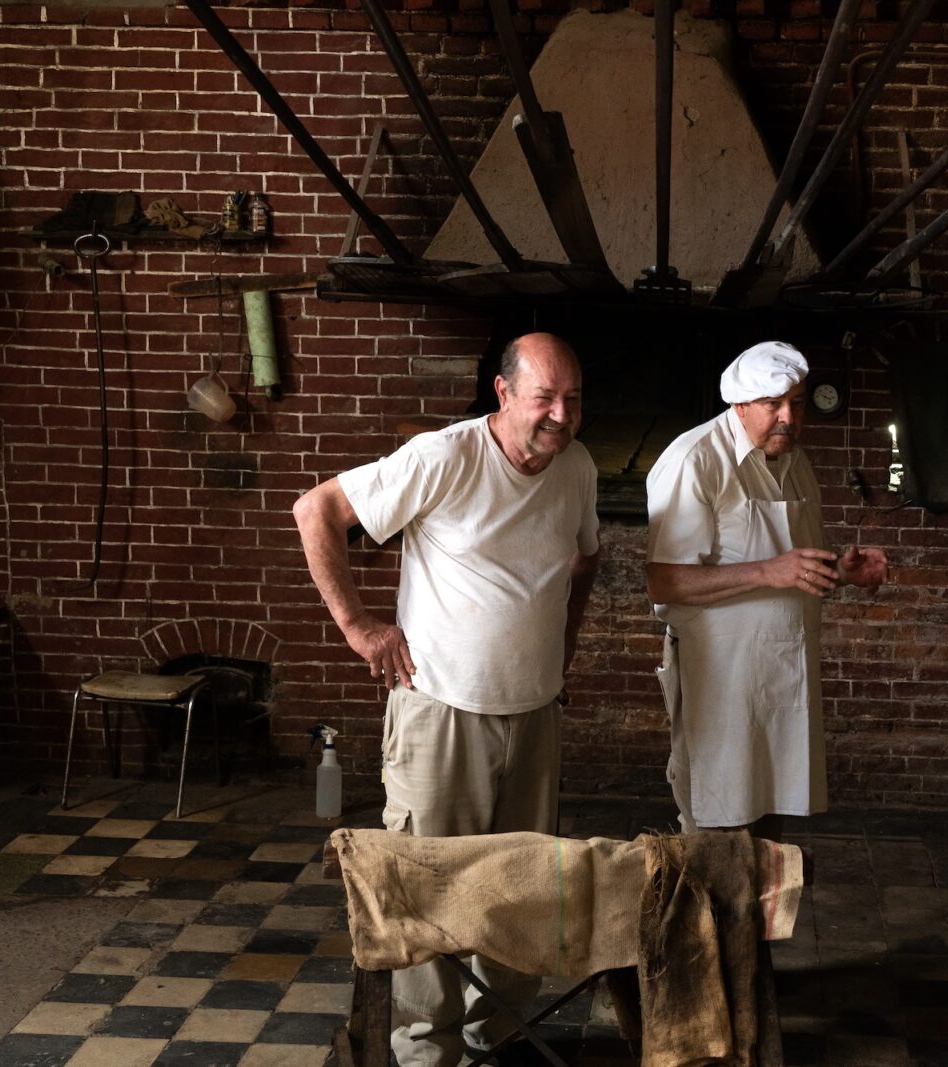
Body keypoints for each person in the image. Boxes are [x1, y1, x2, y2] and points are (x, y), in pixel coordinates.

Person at [292, 332, 600, 1067]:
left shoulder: (578, 467)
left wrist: (563, 642)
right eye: (544, 398)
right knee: (428, 885)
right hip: (441, 714)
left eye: (574, 400)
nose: (561, 415)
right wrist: (361, 627)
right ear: (502, 394)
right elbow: (317, 509)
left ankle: (499, 1035)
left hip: (533, 714)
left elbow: (586, 556)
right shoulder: (446, 457)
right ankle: (426, 1048)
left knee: (519, 885)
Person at [645, 340, 888, 834]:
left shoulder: (794, 461)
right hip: (720, 676)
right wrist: (766, 571)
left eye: (796, 404)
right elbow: (663, 581)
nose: (788, 418)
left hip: (782, 672)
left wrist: (843, 571)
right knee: (717, 827)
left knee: (771, 825)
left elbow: (801, 564)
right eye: (772, 405)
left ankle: (761, 913)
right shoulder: (695, 460)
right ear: (739, 404)